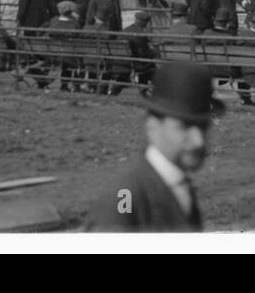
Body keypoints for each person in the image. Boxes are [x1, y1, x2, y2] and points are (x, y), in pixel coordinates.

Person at [90, 62, 223, 232]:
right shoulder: (127, 197)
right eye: (184, 126)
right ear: (153, 126)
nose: (198, 141)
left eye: (203, 126)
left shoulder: (179, 185)